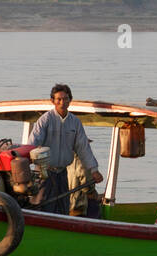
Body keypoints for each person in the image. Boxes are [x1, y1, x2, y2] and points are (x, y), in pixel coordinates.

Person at [26, 83, 103, 213]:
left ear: (70, 100)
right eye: (59, 99)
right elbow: (32, 144)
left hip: (62, 172)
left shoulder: (75, 122)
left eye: (66, 99)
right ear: (53, 101)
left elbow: (83, 148)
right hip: (44, 173)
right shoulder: (45, 120)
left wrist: (94, 170)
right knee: (41, 205)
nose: (62, 102)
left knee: (63, 206)